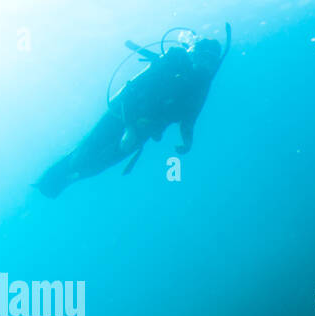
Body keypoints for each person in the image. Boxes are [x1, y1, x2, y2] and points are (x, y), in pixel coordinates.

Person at [35, 25, 230, 197]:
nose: (204, 66)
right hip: (121, 114)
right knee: (82, 155)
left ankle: (65, 182)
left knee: (101, 165)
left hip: (145, 129)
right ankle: (47, 183)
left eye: (210, 62)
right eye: (202, 58)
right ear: (193, 52)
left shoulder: (201, 85)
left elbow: (190, 117)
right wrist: (129, 127)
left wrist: (187, 141)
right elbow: (131, 90)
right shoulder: (170, 63)